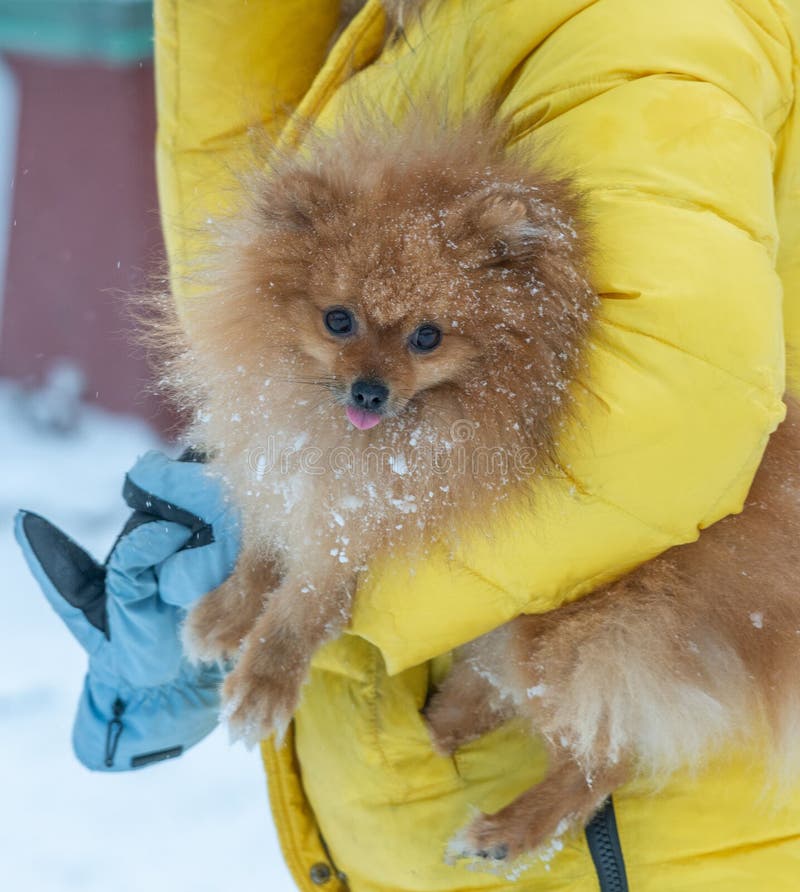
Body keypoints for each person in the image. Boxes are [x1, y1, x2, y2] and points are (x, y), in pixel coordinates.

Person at [17, 1, 800, 889]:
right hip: (405, 804)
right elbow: (258, 293)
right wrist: (252, 526)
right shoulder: (357, 28)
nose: (370, 375)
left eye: (420, 342)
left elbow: (676, 427)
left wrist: (320, 600)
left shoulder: (637, 32)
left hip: (634, 843)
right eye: (345, 327)